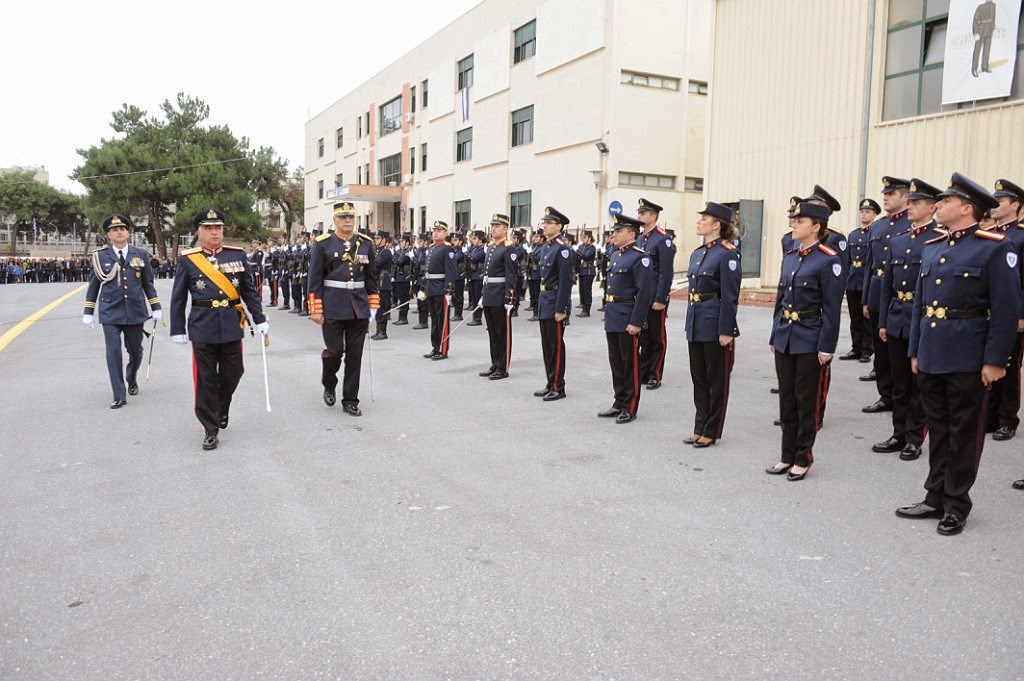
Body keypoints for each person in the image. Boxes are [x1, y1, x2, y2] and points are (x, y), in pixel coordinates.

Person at [897, 172, 1019, 535]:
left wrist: (996, 360)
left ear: (967, 208)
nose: (938, 205)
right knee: (938, 429)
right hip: (933, 353)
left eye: (946, 201)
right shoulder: (933, 247)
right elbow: (920, 305)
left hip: (968, 354)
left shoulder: (994, 248)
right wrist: (916, 350)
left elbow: (1006, 309)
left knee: (963, 431)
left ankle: (956, 503)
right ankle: (934, 496)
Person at [170, 209, 268, 451]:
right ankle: (210, 428)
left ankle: (221, 407)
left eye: (218, 228)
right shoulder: (189, 259)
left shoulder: (237, 255)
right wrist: (177, 328)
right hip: (202, 325)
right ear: (199, 232)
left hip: (231, 324)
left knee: (233, 372)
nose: (214, 232)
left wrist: (260, 319)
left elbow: (249, 292)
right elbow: (178, 297)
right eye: (208, 228)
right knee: (205, 379)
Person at [765, 202, 844, 481]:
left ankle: (802, 457)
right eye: (793, 220)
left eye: (800, 221)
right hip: (786, 336)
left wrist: (827, 347)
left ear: (816, 226)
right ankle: (786, 455)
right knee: (786, 398)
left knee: (805, 400)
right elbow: (780, 300)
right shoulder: (790, 256)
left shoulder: (828, 260)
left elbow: (832, 309)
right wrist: (775, 334)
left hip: (810, 337)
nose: (793, 224)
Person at [873, 179, 942, 461]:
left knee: (918, 383)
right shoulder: (898, 240)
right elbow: (887, 285)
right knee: (899, 381)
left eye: (916, 202)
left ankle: (914, 437)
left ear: (932, 207)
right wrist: (883, 321)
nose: (910, 207)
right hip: (897, 317)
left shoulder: (938, 239)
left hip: (923, 318)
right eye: (909, 202)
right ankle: (898, 432)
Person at [82, 214, 162, 409]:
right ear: (108, 235)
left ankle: (131, 377)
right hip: (110, 311)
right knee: (113, 352)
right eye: (114, 230)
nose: (119, 232)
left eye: (122, 229)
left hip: (135, 310)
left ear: (128, 232)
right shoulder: (100, 256)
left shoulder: (140, 254)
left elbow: (148, 283)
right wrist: (88, 311)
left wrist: (156, 307)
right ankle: (119, 394)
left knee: (136, 351)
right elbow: (94, 285)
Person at [307, 202, 380, 416]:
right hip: (332, 306)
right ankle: (329, 383)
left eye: (350, 217)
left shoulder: (365, 244)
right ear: (334, 220)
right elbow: (314, 279)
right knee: (335, 352)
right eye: (343, 217)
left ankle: (350, 399)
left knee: (355, 355)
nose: (347, 221)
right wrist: (315, 308)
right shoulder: (323, 244)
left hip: (358, 307)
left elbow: (371, 277)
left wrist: (373, 305)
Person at [684, 202, 741, 446]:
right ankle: (699, 425)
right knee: (699, 378)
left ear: (717, 224)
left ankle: (712, 429)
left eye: (704, 219)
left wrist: (726, 329)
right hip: (696, 322)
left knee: (716, 380)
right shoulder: (698, 253)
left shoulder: (727, 253)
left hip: (714, 322)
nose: (699, 222)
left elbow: (730, 295)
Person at [598, 215, 655, 424]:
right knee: (616, 362)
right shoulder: (615, 255)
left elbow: (644, 293)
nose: (614, 234)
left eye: (618, 231)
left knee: (629, 363)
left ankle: (630, 406)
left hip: (627, 317)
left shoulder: (640, 258)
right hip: (613, 315)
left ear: (631, 234)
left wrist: (637, 322)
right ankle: (618, 401)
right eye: (614, 231)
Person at [862, 177, 912, 412]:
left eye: (891, 194)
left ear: (905, 197)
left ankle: (903, 395)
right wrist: (865, 299)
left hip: (898, 294)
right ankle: (885, 394)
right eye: (885, 193)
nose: (885, 197)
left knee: (899, 351)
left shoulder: (911, 224)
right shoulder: (878, 226)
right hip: (876, 292)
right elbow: (869, 264)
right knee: (881, 351)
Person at [984, 179, 1024, 441]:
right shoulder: (989, 235)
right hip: (987, 311)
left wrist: (1021, 314)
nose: (994, 204)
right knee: (990, 360)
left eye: (1000, 201)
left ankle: (1008, 418)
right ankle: (991, 415)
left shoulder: (1020, 236)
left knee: (1008, 365)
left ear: (1016, 205)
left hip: (1012, 313)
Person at [636, 198, 677, 390]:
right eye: (639, 212)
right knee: (643, 337)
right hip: (641, 297)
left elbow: (666, 272)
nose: (639, 216)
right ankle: (644, 372)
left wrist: (661, 298)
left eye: (643, 213)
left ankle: (655, 374)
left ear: (653, 216)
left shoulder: (663, 239)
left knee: (656, 338)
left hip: (654, 297)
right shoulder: (640, 239)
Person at [534, 207, 573, 400]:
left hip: (555, 302)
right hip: (545, 300)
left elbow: (566, 281)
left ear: (559, 226)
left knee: (555, 347)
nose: (545, 225)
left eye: (549, 223)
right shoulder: (545, 247)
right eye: (544, 222)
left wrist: (561, 309)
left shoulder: (563, 249)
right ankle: (550, 383)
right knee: (547, 346)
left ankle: (558, 386)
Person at [839, 199, 880, 362]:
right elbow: (848, 260)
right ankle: (856, 347)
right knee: (855, 317)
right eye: (862, 211)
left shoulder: (875, 234)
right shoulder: (853, 234)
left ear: (874, 215)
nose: (864, 214)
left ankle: (866, 349)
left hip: (866, 279)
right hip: (853, 279)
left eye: (868, 212)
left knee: (866, 318)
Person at [478, 213, 519, 379]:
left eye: (497, 226)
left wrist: (510, 298)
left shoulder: (508, 248)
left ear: (505, 229)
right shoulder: (491, 247)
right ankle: (495, 364)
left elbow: (511, 276)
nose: (494, 228)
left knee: (502, 333)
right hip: (490, 295)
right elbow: (487, 275)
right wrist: (483, 294)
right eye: (492, 226)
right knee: (493, 333)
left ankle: (503, 367)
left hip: (500, 296)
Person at [422, 221, 459, 360]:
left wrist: (449, 290)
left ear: (445, 233)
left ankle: (443, 350)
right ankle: (435, 347)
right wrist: (424, 288)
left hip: (441, 289)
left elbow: (451, 271)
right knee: (434, 320)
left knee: (442, 321)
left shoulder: (447, 249)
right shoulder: (432, 248)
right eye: (434, 230)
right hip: (431, 288)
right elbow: (427, 271)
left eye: (439, 230)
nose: (435, 233)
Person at [371, 230, 394, 340]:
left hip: (383, 283)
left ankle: (383, 331)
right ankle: (378, 330)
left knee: (383, 307)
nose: (375, 240)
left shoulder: (386, 252)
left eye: (378, 238)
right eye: (375, 238)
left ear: (384, 240)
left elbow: (375, 263)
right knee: (377, 307)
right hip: (377, 282)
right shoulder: (377, 252)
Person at [392, 233, 413, 326]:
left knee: (404, 298)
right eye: (400, 241)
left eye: (403, 241)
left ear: (407, 243)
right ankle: (401, 317)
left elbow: (399, 262)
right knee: (401, 297)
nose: (401, 243)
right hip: (399, 278)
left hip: (404, 278)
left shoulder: (407, 252)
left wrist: (394, 256)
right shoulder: (402, 252)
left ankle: (403, 318)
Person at [466, 230, 486, 325]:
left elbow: (474, 258)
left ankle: (478, 318)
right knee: (474, 298)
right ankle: (475, 318)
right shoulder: (474, 248)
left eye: (475, 238)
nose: (473, 240)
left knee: (478, 298)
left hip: (479, 276)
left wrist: (466, 253)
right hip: (473, 275)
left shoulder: (483, 249)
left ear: (480, 239)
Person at [972, 0, 996, 77]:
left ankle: (985, 67)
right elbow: (975, 20)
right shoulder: (981, 7)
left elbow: (993, 18)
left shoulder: (993, 6)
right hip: (981, 31)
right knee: (977, 51)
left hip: (989, 31)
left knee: (987, 50)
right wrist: (975, 33)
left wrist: (993, 28)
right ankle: (974, 69)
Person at [577, 230, 597, 317]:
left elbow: (586, 256)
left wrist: (578, 251)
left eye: (585, 237)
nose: (583, 239)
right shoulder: (582, 247)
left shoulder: (591, 248)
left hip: (588, 271)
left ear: (589, 238)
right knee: (582, 290)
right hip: (582, 270)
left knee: (587, 291)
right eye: (582, 237)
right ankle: (583, 307)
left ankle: (587, 310)